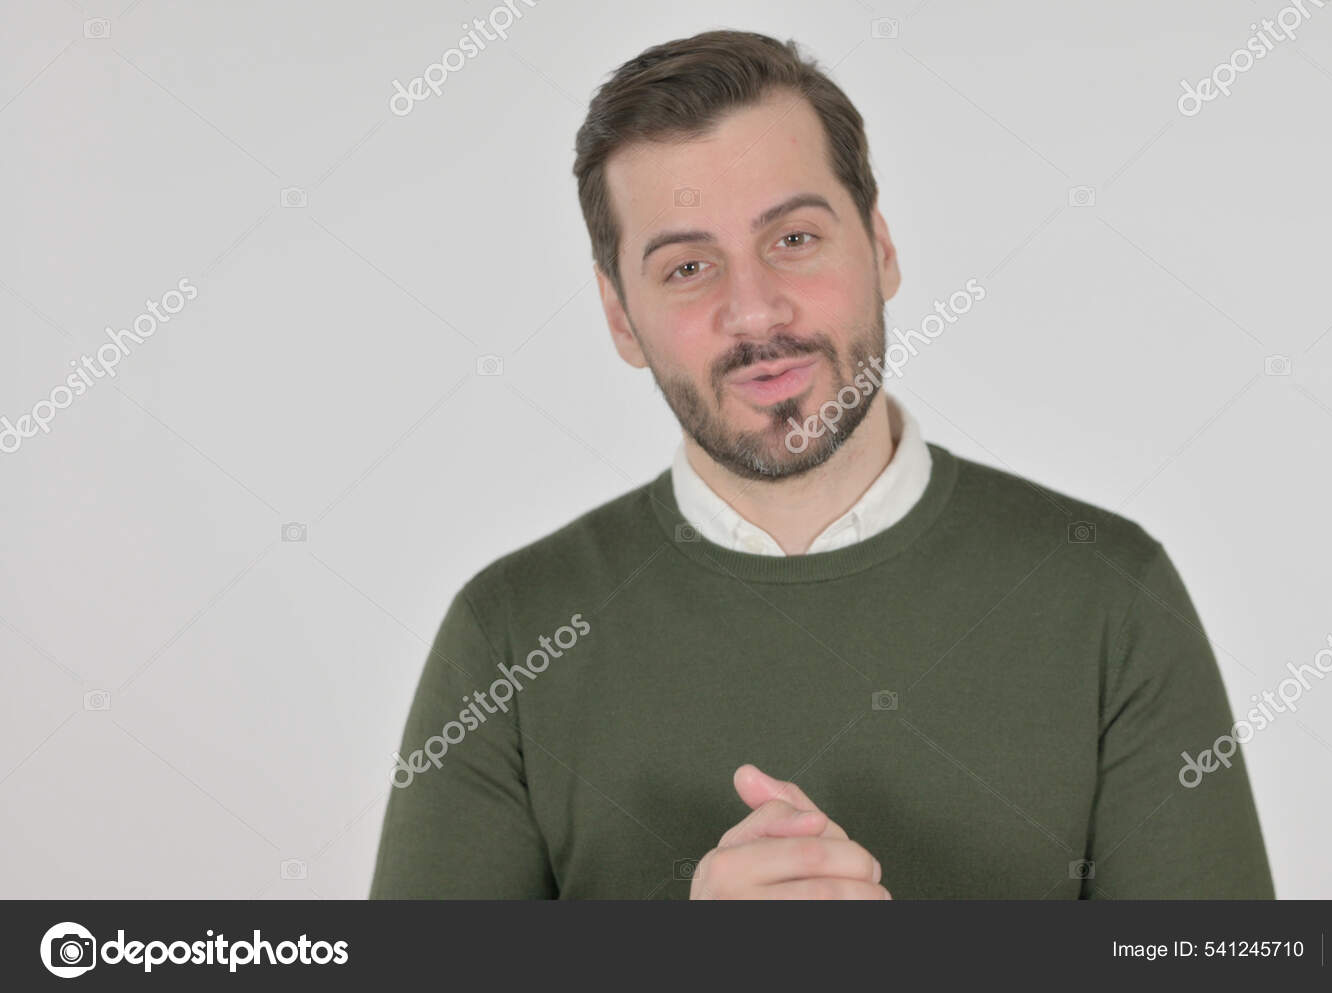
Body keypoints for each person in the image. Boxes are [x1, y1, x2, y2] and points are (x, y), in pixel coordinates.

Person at [370, 29, 1273, 900]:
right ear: (619, 317)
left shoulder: (1108, 591)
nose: (755, 312)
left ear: (879, 247)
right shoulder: (510, 636)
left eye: (793, 239)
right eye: (688, 267)